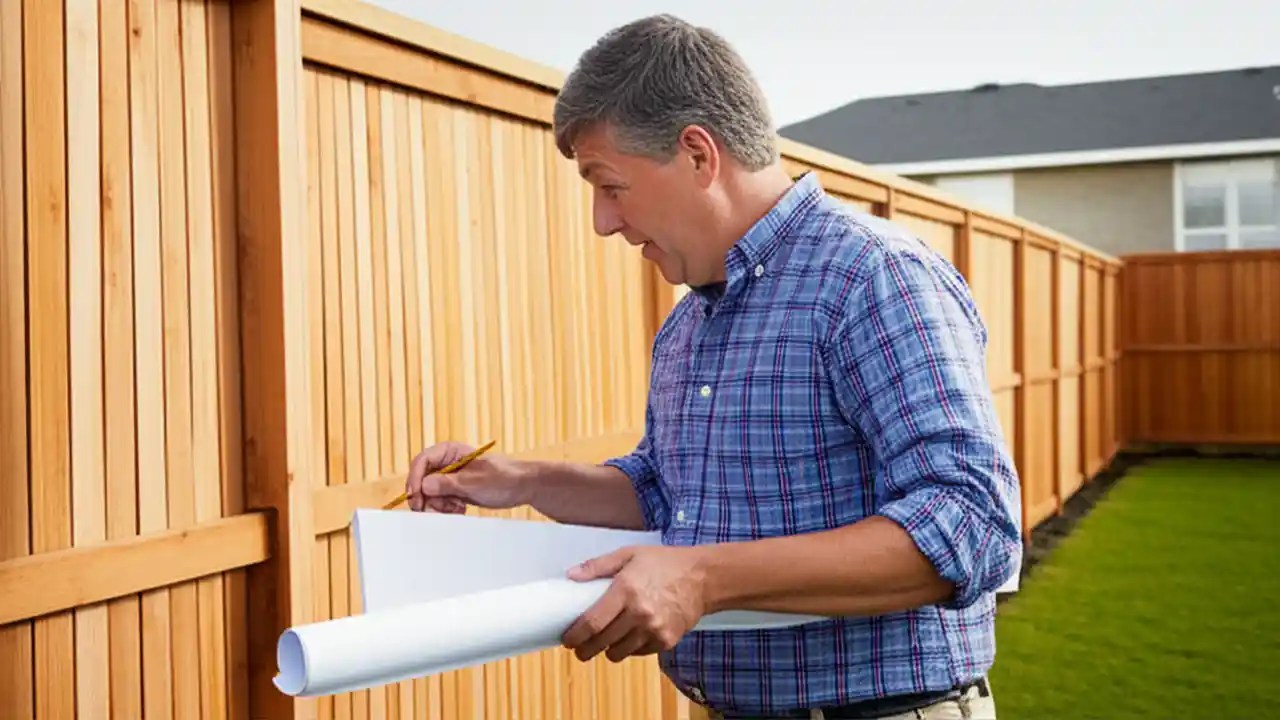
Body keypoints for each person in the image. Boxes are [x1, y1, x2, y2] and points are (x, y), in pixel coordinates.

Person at [405, 13, 1021, 720]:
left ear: (698, 155)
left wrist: (701, 577)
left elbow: (970, 523)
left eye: (609, 185)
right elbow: (668, 493)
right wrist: (520, 481)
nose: (602, 222)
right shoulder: (689, 323)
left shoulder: (875, 278)